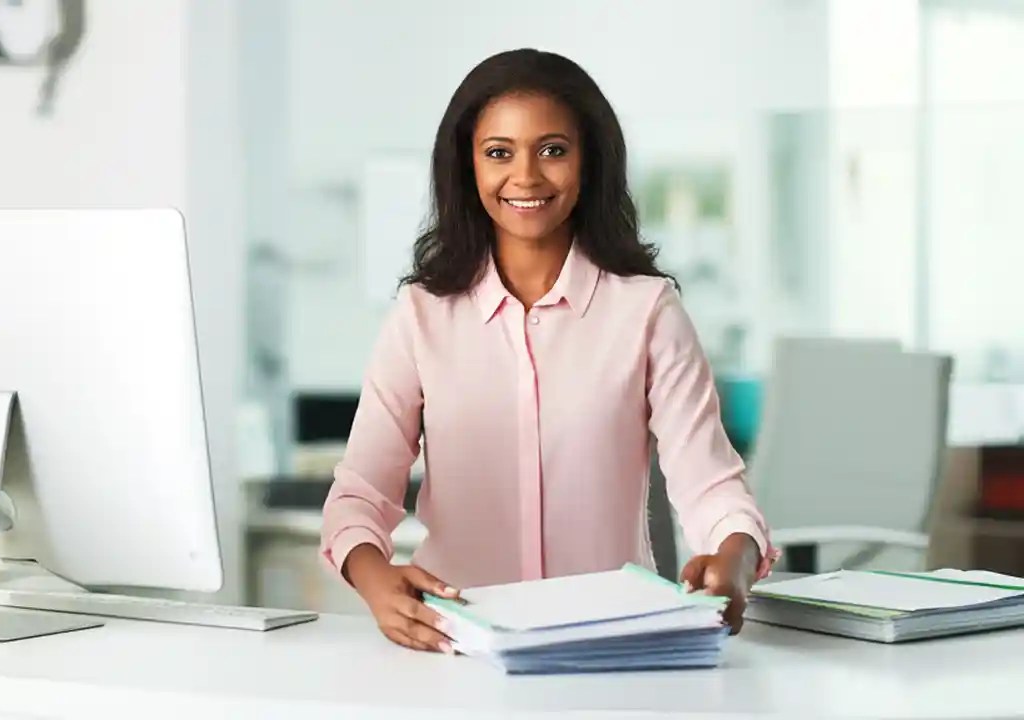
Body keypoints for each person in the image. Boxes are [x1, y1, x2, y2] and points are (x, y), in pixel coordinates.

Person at [319, 48, 777, 654]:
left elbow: (710, 487)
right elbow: (359, 497)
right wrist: (377, 583)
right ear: (468, 165)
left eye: (553, 150)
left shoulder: (647, 312)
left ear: (590, 162)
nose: (526, 177)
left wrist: (736, 555)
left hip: (613, 648)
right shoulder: (420, 317)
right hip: (456, 649)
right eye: (499, 152)